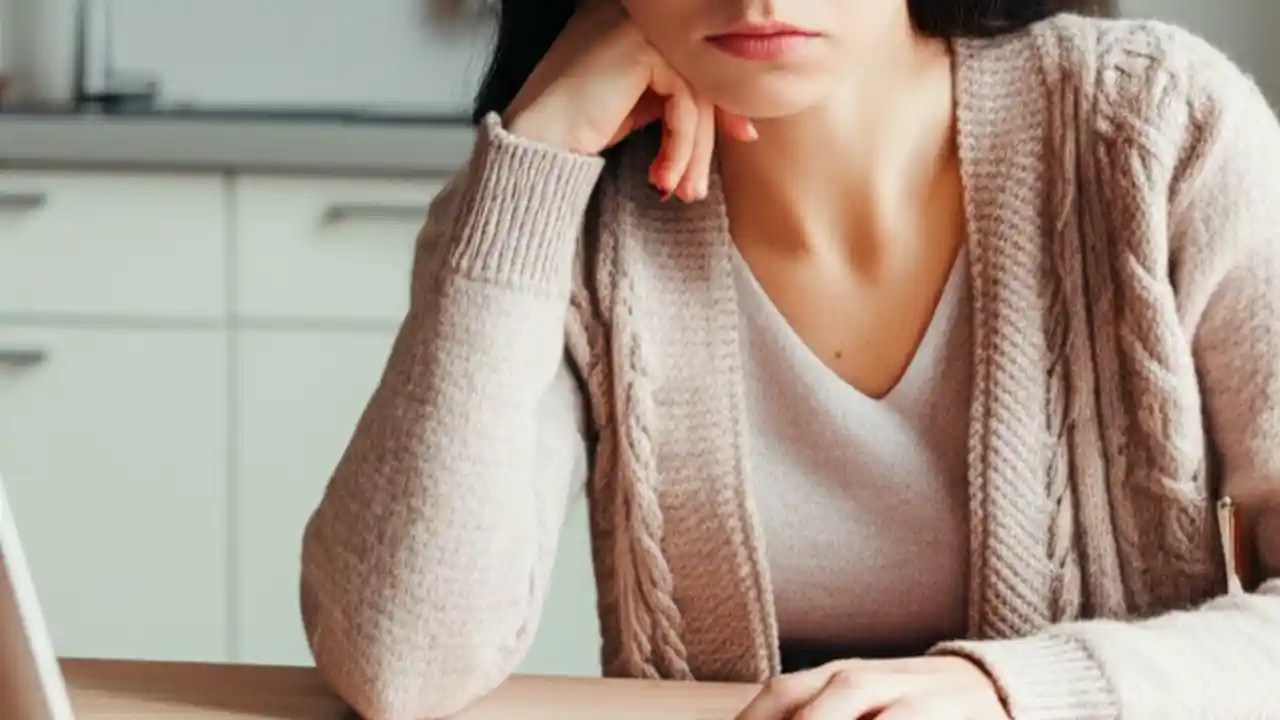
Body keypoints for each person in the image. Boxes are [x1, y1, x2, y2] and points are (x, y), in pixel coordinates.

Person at [297, 0, 1280, 717]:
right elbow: (399, 663)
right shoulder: (553, 203)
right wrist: (534, 159)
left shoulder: (1158, 125)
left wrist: (1017, 691)